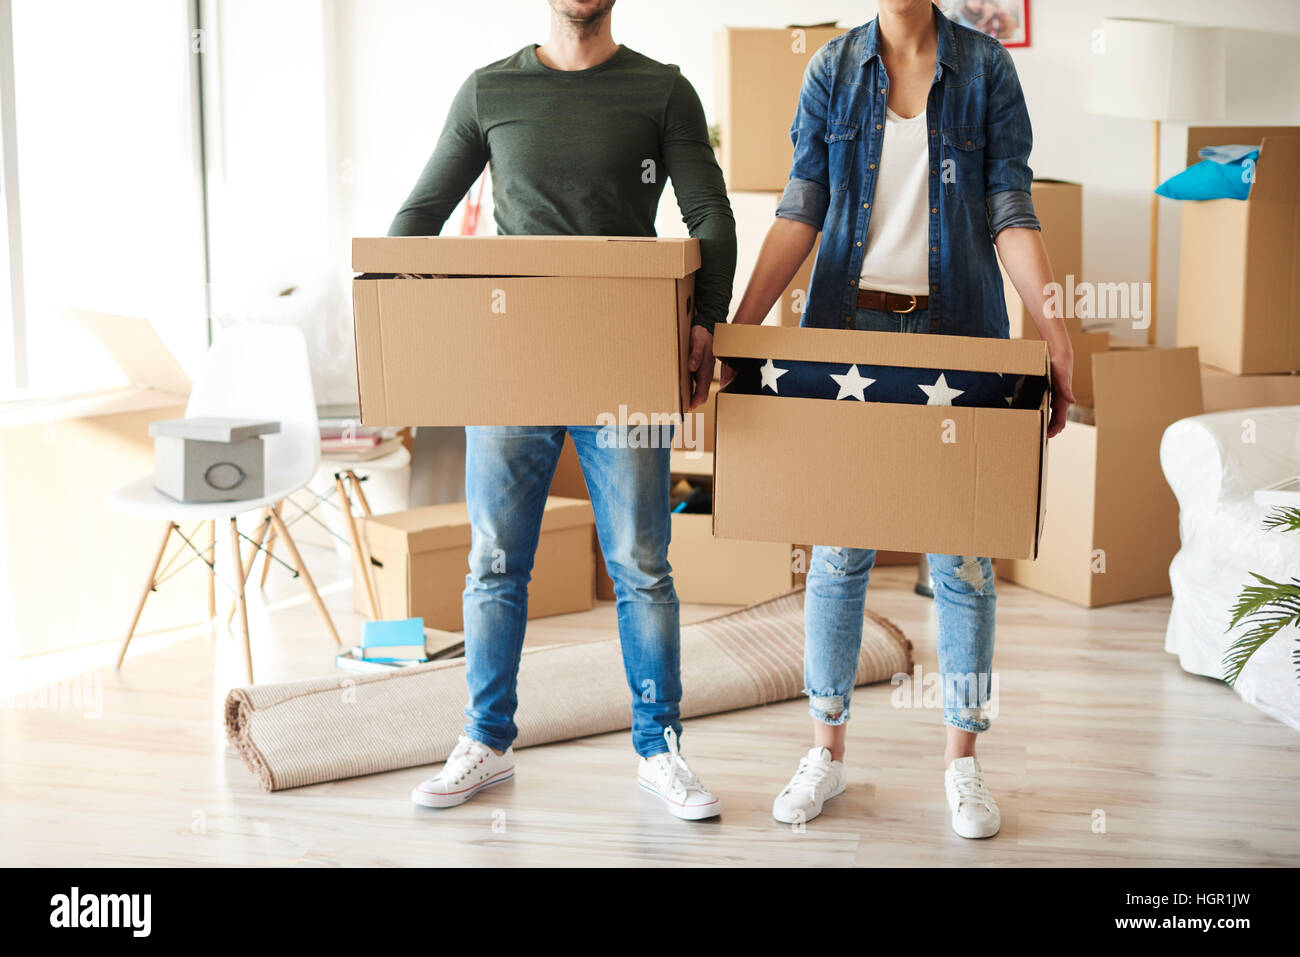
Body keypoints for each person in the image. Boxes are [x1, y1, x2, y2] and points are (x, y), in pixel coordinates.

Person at [727, 0, 1074, 838]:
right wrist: (742, 327)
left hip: (959, 331)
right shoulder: (831, 70)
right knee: (841, 548)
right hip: (850, 332)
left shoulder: (986, 69)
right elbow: (801, 207)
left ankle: (963, 763)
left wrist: (1057, 333)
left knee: (962, 554)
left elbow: (1011, 209)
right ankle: (827, 753)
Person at [391, 0, 736, 820]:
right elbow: (414, 224)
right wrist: (424, 337)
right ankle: (487, 740)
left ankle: (660, 747)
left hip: (623, 363)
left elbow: (711, 218)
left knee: (640, 564)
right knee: (495, 563)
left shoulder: (662, 91)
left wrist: (704, 325)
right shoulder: (488, 92)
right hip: (512, 368)